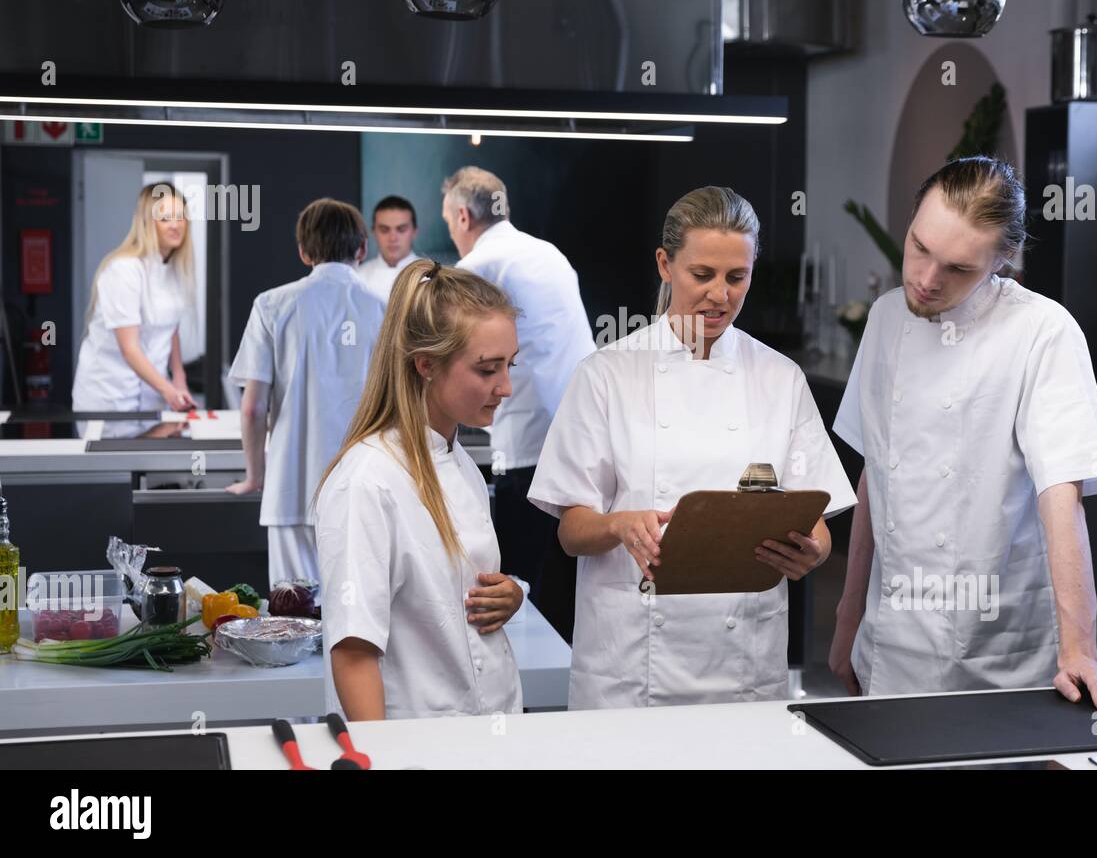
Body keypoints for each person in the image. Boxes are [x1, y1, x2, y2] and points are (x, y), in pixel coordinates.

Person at [828, 156, 1097, 713]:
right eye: (920, 248)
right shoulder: (884, 318)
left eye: (958, 269)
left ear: (1003, 261)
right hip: (889, 647)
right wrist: (847, 618)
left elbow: (1062, 497)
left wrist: (1080, 650)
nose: (927, 280)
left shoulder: (1042, 332)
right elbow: (874, 474)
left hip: (1000, 653)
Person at [528, 186, 856, 709]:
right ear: (665, 264)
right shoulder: (606, 375)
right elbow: (571, 531)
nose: (719, 295)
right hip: (633, 670)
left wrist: (810, 553)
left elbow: (814, 518)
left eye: (736, 277)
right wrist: (617, 524)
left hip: (745, 664)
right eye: (701, 275)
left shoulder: (780, 377)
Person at [315, 260, 524, 720]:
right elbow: (353, 652)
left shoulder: (460, 462)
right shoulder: (367, 480)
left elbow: (447, 592)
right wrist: (379, 757)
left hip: (485, 729)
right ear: (426, 364)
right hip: (415, 741)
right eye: (488, 369)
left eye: (510, 365)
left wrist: (508, 594)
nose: (505, 387)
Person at [443, 166, 595, 642]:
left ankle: (522, 701)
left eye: (449, 222)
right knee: (564, 591)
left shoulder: (475, 271)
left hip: (527, 452)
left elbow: (437, 354)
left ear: (463, 216)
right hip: (588, 440)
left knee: (517, 595)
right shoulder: (548, 254)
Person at [225, 198, 386, 589]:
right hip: (366, 489)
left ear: (303, 252)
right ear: (362, 248)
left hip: (291, 489)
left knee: (295, 622)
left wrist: (254, 476)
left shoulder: (272, 305)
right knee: (359, 616)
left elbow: (252, 409)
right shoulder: (385, 308)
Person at [72, 182, 196, 413]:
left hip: (153, 395)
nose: (176, 225)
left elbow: (171, 327)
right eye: (166, 218)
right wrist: (169, 391)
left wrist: (179, 376)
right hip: (108, 396)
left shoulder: (175, 270)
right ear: (148, 223)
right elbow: (129, 348)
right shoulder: (124, 270)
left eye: (180, 217)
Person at [358, 194, 421, 301]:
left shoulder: (430, 276)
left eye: (401, 229)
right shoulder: (358, 278)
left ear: (414, 231)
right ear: (374, 232)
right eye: (384, 230)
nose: (392, 238)